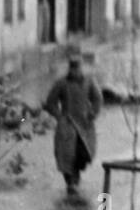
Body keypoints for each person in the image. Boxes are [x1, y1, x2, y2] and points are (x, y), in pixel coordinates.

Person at [43, 46, 103, 197]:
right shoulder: (62, 83)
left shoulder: (89, 82)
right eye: (73, 68)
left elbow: (97, 99)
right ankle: (71, 184)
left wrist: (92, 113)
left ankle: (75, 181)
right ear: (69, 68)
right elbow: (50, 102)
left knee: (82, 155)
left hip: (84, 125)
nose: (75, 71)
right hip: (67, 126)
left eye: (78, 67)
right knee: (66, 156)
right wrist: (59, 116)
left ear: (82, 68)